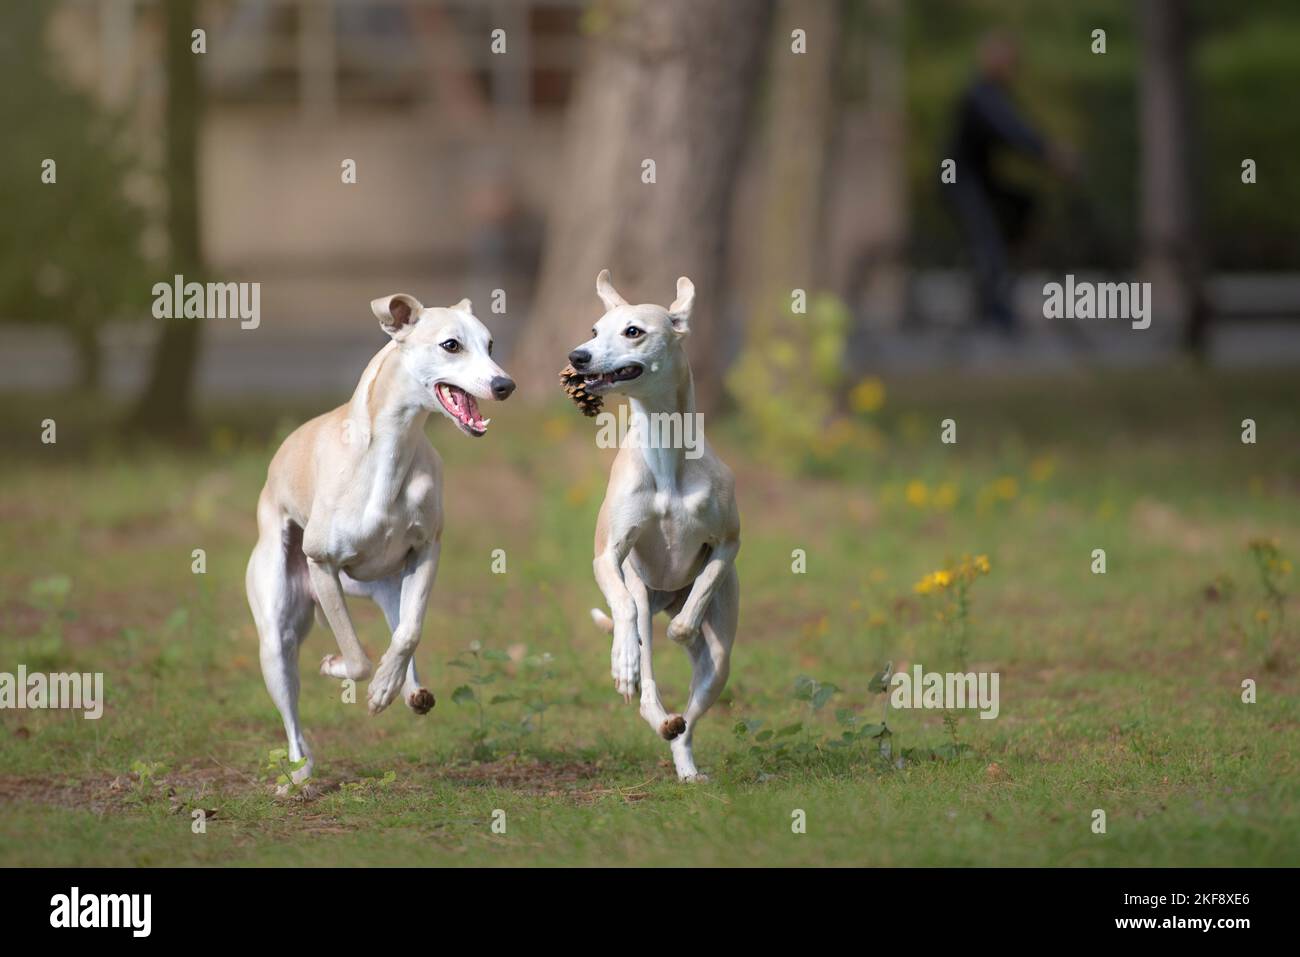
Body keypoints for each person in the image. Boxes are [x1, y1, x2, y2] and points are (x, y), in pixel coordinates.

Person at [946, 32, 1075, 333]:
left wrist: (1045, 150)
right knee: (987, 238)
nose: (1013, 69)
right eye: (1008, 62)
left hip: (982, 181)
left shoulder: (996, 95)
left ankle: (999, 282)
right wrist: (1049, 153)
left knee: (1025, 206)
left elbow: (1018, 127)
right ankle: (994, 310)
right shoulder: (981, 95)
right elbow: (1010, 130)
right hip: (960, 181)